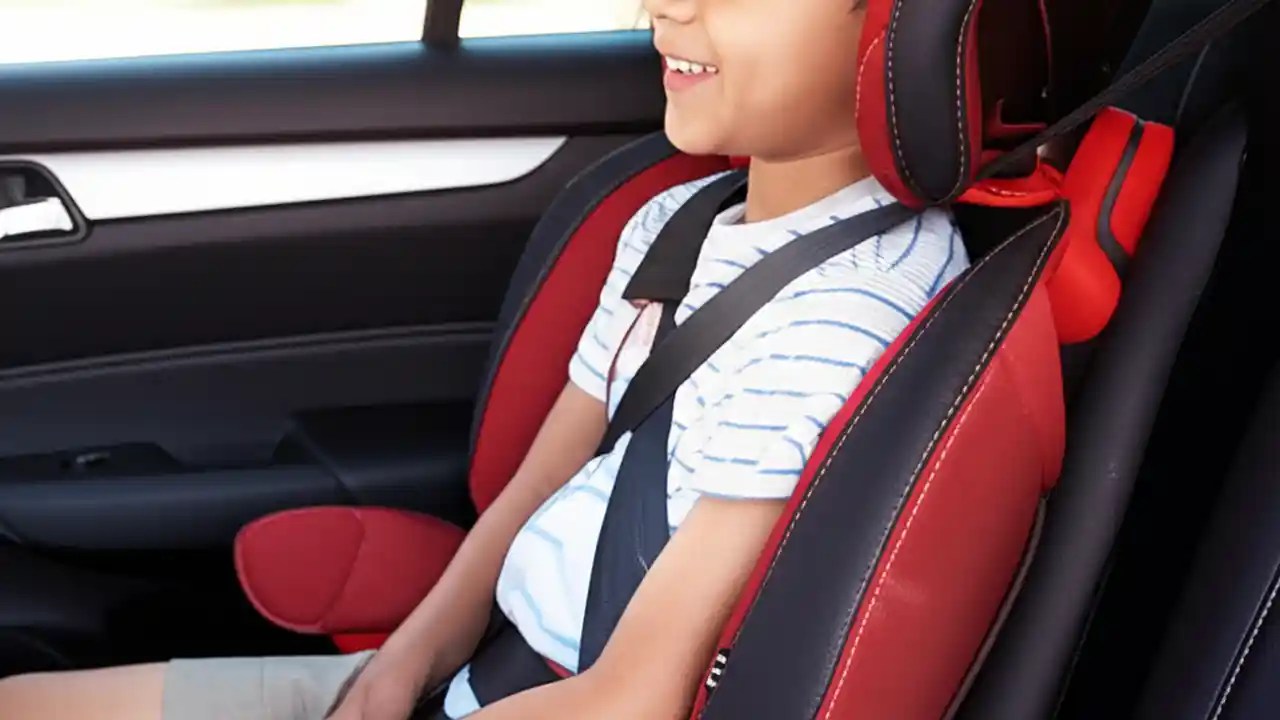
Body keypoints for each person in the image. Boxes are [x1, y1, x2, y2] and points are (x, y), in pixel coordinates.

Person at [0, 0, 968, 718]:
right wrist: (406, 661)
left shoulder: (848, 310)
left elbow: (634, 698)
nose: (661, 6)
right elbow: (535, 486)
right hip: (484, 672)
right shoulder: (676, 219)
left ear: (897, 28)